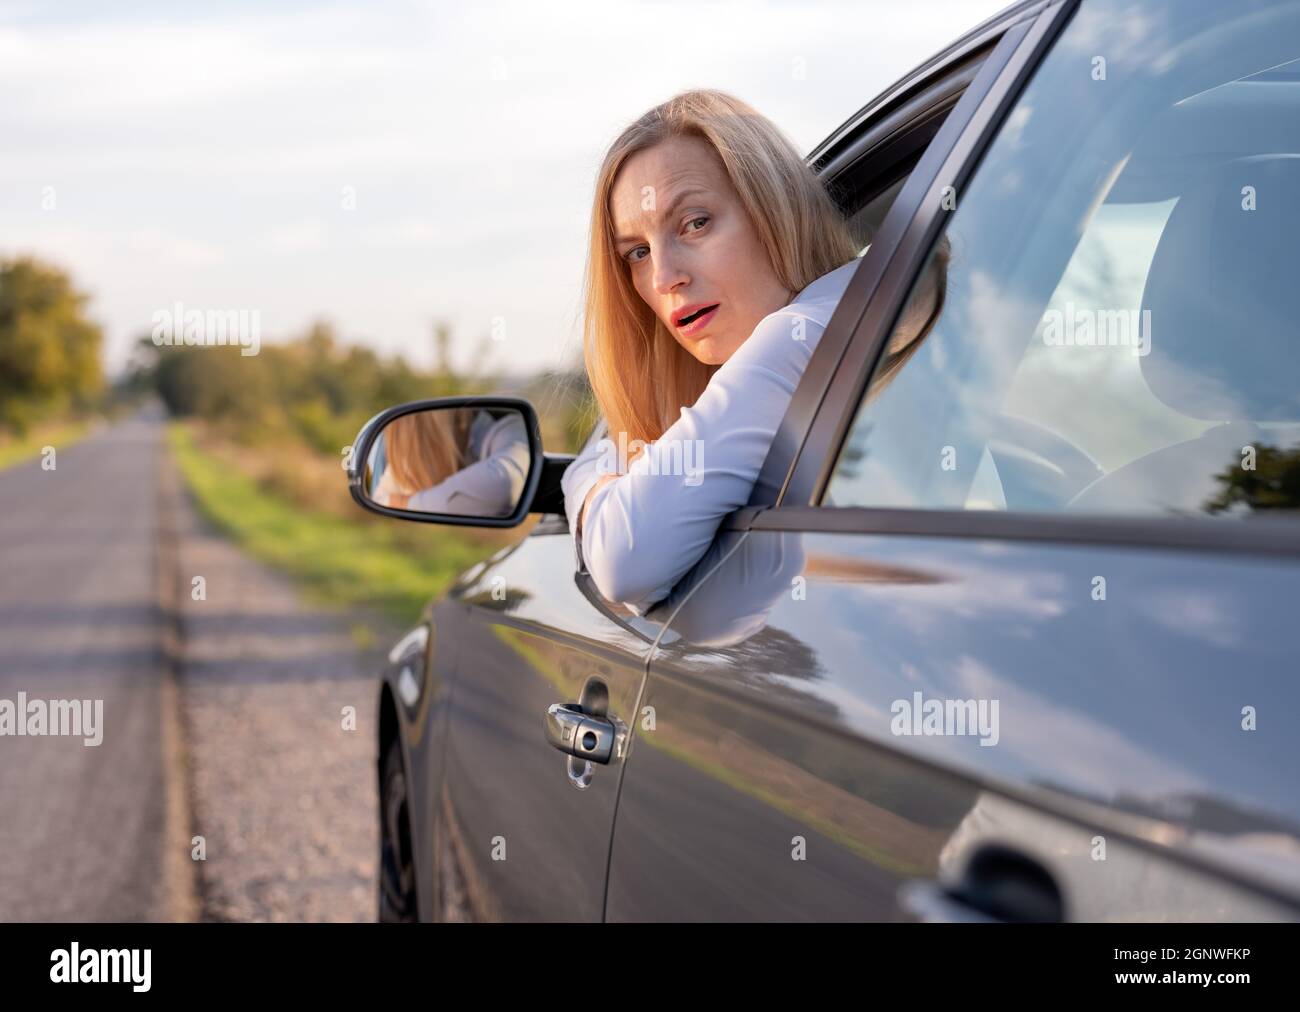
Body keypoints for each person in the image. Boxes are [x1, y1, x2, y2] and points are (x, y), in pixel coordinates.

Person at [562, 88, 946, 615]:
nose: (665, 276)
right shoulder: (854, 320)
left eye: (695, 223)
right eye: (637, 252)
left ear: (777, 210)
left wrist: (588, 492)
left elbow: (625, 562)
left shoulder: (798, 334)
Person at [372, 408, 529, 517]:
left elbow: (504, 483)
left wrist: (405, 503)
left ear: (461, 418)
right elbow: (379, 499)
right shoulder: (408, 461)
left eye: (427, 445)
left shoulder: (507, 429)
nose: (410, 462)